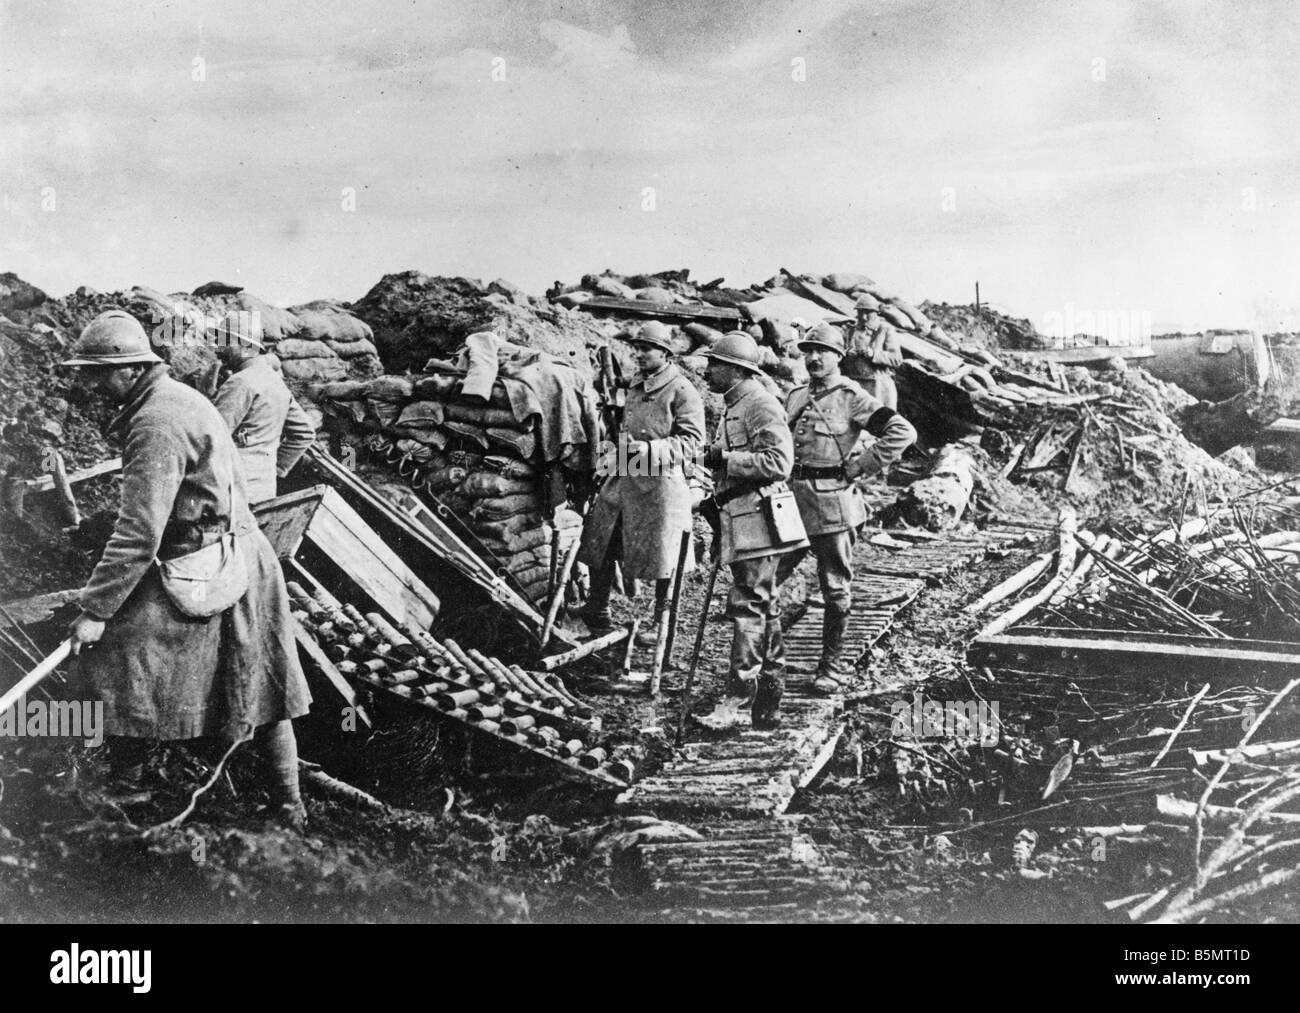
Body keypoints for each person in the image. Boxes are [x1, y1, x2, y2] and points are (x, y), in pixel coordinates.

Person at [62, 311, 313, 830]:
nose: (88, 384)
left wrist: (95, 609)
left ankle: (127, 789)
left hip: (217, 561)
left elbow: (138, 532)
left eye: (97, 372)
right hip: (233, 550)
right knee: (257, 680)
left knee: (114, 654)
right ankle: (286, 805)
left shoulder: (155, 421)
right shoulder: (173, 397)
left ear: (131, 371)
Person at [776, 322, 916, 693]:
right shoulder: (794, 395)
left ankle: (831, 667)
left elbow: (902, 431)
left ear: (839, 356)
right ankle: (767, 663)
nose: (814, 357)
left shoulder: (852, 396)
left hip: (833, 504)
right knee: (768, 581)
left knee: (835, 588)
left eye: (822, 351)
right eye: (808, 350)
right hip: (791, 502)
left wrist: (862, 466)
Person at [697, 331, 808, 730]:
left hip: (758, 521)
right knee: (765, 607)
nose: (708, 370)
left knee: (748, 607)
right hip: (741, 518)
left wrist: (724, 458)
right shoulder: (734, 405)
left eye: (714, 364)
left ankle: (739, 701)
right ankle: (768, 699)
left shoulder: (759, 404)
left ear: (735, 369)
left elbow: (779, 462)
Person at [577, 321, 705, 647]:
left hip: (660, 483)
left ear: (664, 352)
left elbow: (692, 442)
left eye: (645, 349)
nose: (639, 355)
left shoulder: (681, 390)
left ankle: (662, 622)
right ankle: (598, 610)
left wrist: (648, 450)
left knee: (663, 556)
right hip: (623, 475)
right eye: (636, 349)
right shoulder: (636, 384)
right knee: (601, 538)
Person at [211, 312, 316, 505]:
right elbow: (305, 433)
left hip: (233, 492)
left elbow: (212, 438)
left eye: (223, 341)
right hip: (264, 491)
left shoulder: (240, 382)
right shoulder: (275, 380)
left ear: (241, 344)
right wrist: (277, 470)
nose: (218, 349)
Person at [856, 300, 903, 409]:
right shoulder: (850, 329)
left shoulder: (885, 329)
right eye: (860, 312)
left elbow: (897, 359)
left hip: (879, 387)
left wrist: (874, 354)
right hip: (856, 385)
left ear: (876, 313)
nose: (863, 317)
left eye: (868, 313)